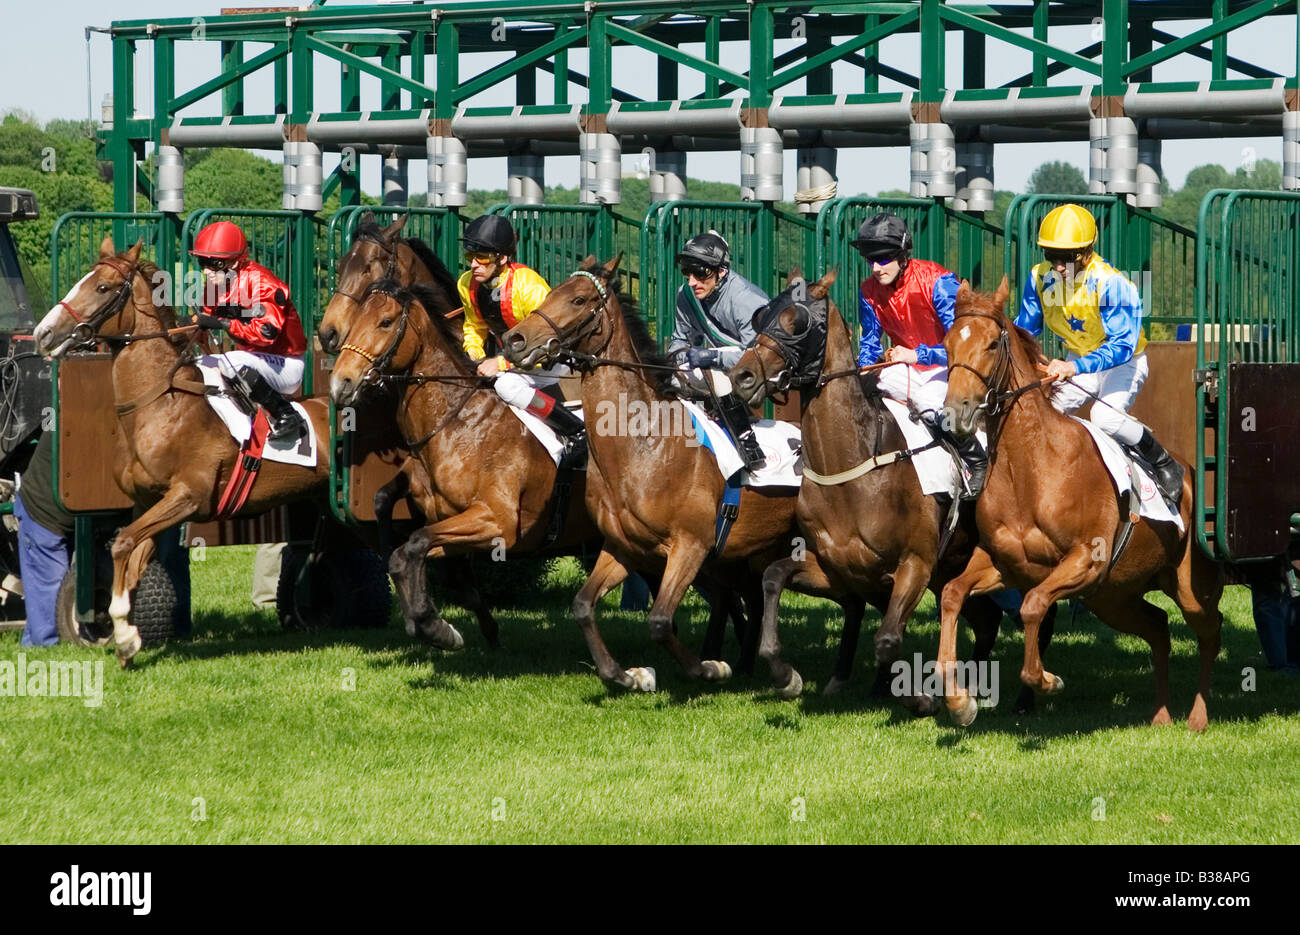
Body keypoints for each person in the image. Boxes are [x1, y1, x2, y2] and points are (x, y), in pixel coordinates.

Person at [1015, 203, 1183, 505]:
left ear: (1087, 251)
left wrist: (1073, 367)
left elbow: (1121, 347)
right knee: (1038, 413)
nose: (1058, 266)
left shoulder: (1113, 284)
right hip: (1079, 364)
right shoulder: (1039, 278)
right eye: (1051, 256)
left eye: (1067, 257)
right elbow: (1025, 330)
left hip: (1124, 364)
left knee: (1104, 417)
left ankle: (1162, 461)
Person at [853, 213, 986, 497]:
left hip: (947, 366)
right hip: (905, 366)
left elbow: (962, 345)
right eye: (871, 261)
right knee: (861, 393)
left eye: (884, 259)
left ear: (903, 255)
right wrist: (865, 367)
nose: (876, 268)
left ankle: (977, 462)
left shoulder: (938, 281)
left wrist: (918, 355)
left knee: (928, 402)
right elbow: (869, 343)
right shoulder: (868, 291)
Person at [457, 215, 586, 467]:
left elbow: (546, 342)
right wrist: (474, 353)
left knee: (506, 386)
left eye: (481, 257)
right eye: (469, 257)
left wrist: (501, 363)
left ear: (502, 258)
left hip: (551, 361)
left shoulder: (528, 286)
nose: (473, 264)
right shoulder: (466, 284)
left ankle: (576, 430)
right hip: (517, 361)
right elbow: (474, 326)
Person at [190, 221, 308, 442]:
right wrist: (191, 327)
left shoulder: (262, 282)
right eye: (201, 262)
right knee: (198, 364)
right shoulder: (214, 285)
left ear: (235, 262)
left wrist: (223, 323)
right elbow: (205, 324)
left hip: (284, 364)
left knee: (232, 362)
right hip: (252, 360)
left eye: (213, 263)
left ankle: (286, 414)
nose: (206, 270)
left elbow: (266, 334)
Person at [667, 231, 769, 470]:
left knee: (717, 376)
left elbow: (757, 355)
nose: (692, 281)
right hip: (719, 366)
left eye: (700, 273)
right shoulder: (686, 295)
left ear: (721, 272)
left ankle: (747, 441)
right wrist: (674, 359)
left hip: (758, 370)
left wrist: (713, 356)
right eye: (687, 272)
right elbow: (680, 340)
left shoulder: (746, 300)